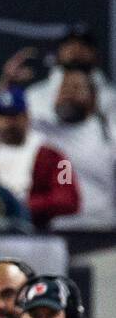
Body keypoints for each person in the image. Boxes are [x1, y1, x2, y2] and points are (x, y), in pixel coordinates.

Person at [33, 68, 116, 231]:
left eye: (76, 88)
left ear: (93, 98)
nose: (68, 93)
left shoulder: (108, 135)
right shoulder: (40, 131)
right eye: (63, 88)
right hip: (53, 230)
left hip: (102, 228)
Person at [0, 87, 78, 231]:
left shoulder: (55, 157)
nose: (8, 123)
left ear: (26, 117)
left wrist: (19, 206)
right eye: (2, 116)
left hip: (36, 233)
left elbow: (67, 199)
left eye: (15, 115)